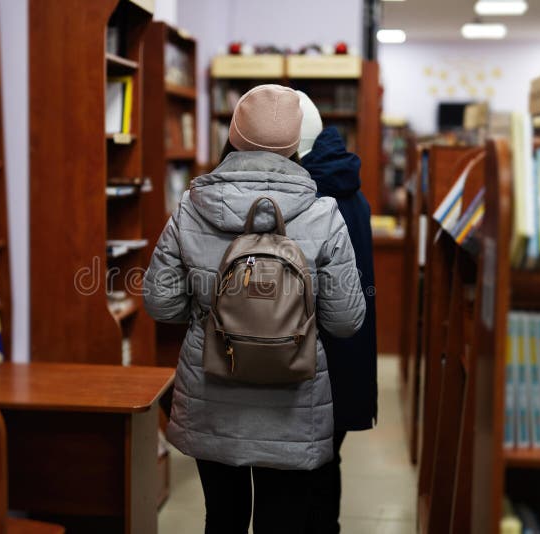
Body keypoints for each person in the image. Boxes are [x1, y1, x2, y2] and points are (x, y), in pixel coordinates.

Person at [144, 84, 366, 534]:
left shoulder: (191, 207)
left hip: (211, 394)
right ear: (295, 143)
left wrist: (210, 309)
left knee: (221, 518)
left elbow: (161, 304)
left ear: (234, 135)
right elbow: (346, 320)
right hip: (294, 400)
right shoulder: (324, 213)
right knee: (281, 521)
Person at [296, 91, 378, 534]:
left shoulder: (311, 198)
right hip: (348, 351)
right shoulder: (348, 185)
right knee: (327, 461)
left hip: (314, 355)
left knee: (306, 474)